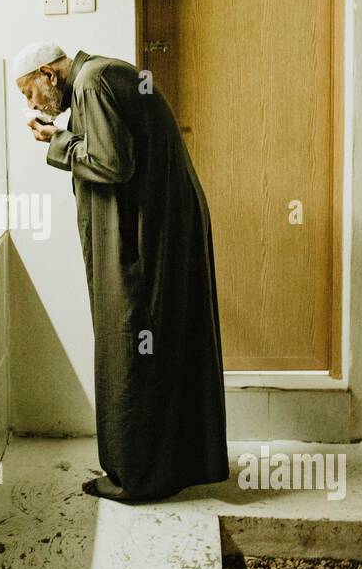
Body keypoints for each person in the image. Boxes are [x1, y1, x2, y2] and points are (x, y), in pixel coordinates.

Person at [13, 41, 229, 502]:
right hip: (161, 224)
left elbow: (112, 164)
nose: (30, 104)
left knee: (132, 335)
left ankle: (137, 476)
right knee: (158, 339)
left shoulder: (91, 83)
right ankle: (168, 467)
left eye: (29, 91)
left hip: (150, 232)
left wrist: (55, 139)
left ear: (50, 75)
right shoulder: (104, 76)